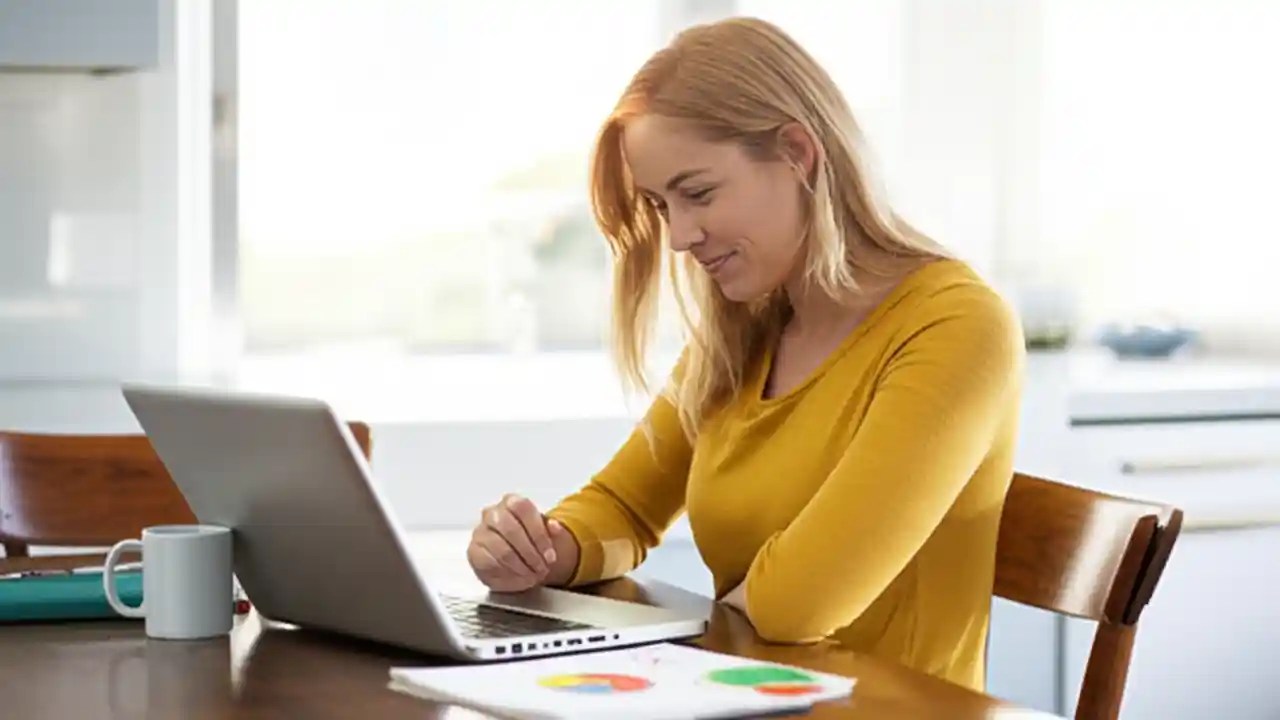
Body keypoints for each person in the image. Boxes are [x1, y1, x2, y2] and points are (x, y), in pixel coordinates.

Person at [465, 16, 1024, 691]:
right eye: (659, 204)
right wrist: (543, 550)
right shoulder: (746, 333)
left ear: (797, 152)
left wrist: (682, 647)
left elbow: (803, 603)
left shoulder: (955, 325)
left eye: (696, 194)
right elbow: (626, 505)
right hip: (748, 700)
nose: (677, 237)